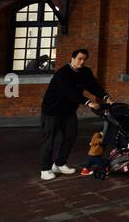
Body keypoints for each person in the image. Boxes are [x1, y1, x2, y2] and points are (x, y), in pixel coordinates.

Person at [39, 48, 112, 180]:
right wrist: (88, 102)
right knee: (49, 140)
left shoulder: (85, 72)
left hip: (68, 111)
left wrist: (106, 97)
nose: (82, 62)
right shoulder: (63, 73)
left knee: (70, 136)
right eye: (79, 59)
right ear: (72, 59)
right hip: (52, 111)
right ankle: (45, 169)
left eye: (84, 59)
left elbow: (94, 86)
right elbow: (70, 93)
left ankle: (60, 163)